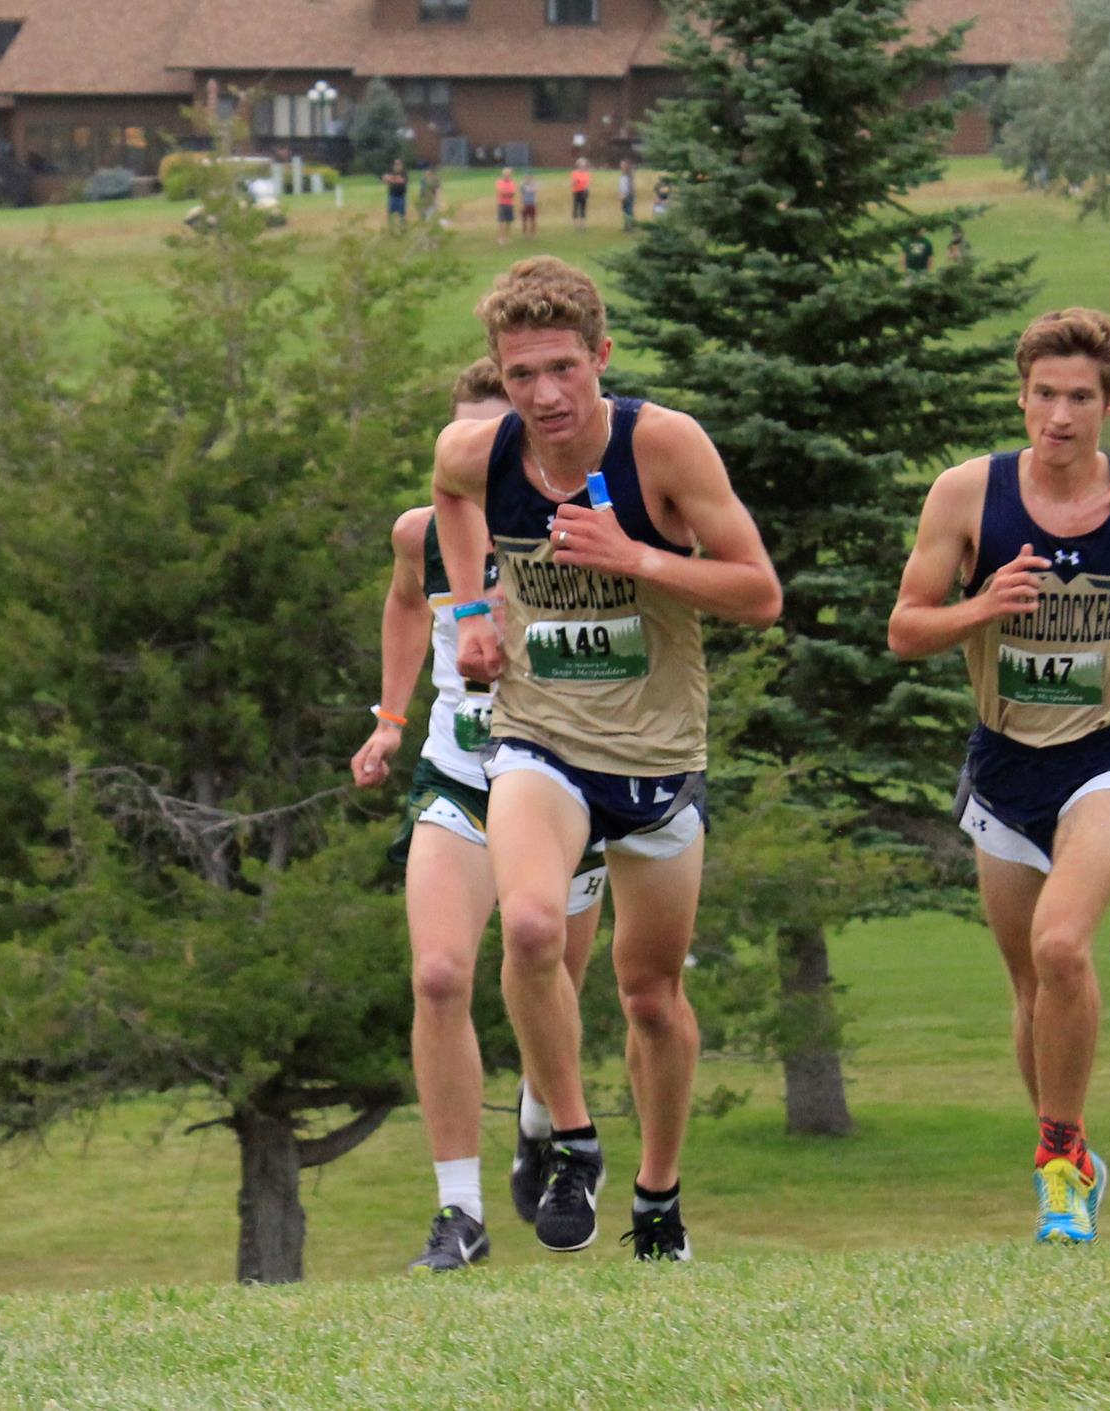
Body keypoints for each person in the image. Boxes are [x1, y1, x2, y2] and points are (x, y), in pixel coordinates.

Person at [433, 257, 782, 1261]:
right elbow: (449, 496)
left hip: (661, 757)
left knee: (647, 994)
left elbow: (758, 593)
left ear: (600, 357)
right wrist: (469, 616)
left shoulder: (662, 446)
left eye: (559, 370)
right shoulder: (480, 449)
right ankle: (572, 1140)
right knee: (533, 927)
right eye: (518, 375)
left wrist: (631, 556)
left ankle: (659, 1198)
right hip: (541, 740)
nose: (540, 396)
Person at [887, 307, 1110, 1244]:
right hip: (1004, 764)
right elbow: (906, 627)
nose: (1060, 416)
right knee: (1034, 991)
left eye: (1080, 397)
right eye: (1044, 394)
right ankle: (1074, 1152)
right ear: (1022, 394)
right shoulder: (967, 495)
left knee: (1065, 946)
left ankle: (1055, 1169)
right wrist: (983, 606)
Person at [352, 357, 613, 1273]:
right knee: (436, 976)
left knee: (549, 977)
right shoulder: (420, 533)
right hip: (456, 777)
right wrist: (388, 721)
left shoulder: (580, 526)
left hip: (559, 783)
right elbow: (400, 608)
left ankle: (544, 1118)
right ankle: (457, 1212)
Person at [382, 157, 409, 227]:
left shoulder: (404, 172)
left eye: (398, 164)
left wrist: (391, 179)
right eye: (396, 164)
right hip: (392, 196)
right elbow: (384, 178)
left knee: (402, 215)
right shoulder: (390, 171)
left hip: (401, 197)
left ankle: (403, 229)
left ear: (401, 165)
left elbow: (402, 181)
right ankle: (391, 229)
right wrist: (394, 179)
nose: (397, 165)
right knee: (390, 215)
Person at [495, 167, 518, 245]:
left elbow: (513, 193)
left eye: (508, 174)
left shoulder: (512, 183)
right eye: (505, 174)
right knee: (501, 222)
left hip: (510, 204)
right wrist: (507, 193)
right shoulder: (499, 182)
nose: (507, 175)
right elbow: (500, 191)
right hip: (502, 204)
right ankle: (500, 238)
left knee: (509, 222)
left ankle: (507, 237)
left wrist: (507, 193)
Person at [570, 158, 592, 229]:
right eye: (581, 165)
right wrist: (575, 182)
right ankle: (574, 224)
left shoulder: (587, 174)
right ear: (578, 166)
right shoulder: (574, 173)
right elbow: (572, 183)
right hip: (576, 192)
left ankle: (583, 225)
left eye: (584, 165)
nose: (582, 167)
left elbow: (587, 184)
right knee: (575, 207)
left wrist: (587, 190)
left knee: (583, 208)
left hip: (584, 192)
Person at [617, 160, 637, 232]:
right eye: (621, 164)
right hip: (623, 195)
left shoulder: (629, 176)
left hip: (628, 196)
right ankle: (626, 226)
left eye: (623, 164)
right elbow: (621, 186)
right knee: (625, 211)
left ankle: (631, 227)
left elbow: (630, 187)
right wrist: (621, 195)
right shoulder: (622, 175)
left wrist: (625, 195)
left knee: (629, 211)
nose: (621, 166)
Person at [519, 170, 539, 238]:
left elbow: (535, 194)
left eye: (529, 177)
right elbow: (521, 195)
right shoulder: (522, 185)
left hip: (532, 203)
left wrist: (536, 202)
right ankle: (524, 233)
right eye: (526, 177)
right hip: (525, 203)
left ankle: (532, 233)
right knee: (524, 219)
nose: (528, 178)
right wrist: (521, 204)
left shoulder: (534, 184)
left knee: (532, 219)